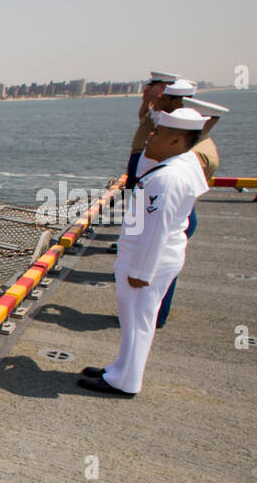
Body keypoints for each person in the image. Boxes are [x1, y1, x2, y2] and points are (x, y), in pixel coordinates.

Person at [79, 108, 210, 397]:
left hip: (146, 259)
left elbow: (157, 229)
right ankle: (120, 368)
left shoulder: (167, 179)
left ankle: (125, 381)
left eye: (159, 133)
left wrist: (140, 272)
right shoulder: (182, 163)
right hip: (156, 256)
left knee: (138, 322)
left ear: (177, 140)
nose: (151, 136)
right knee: (134, 321)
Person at [156, 98, 227, 327]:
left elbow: (169, 201)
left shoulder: (192, 155)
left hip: (173, 216)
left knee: (156, 279)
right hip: (175, 215)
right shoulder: (194, 149)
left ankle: (156, 316)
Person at [126, 71, 178, 185]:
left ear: (162, 87)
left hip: (146, 156)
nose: (148, 88)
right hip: (139, 156)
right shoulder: (154, 107)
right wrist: (146, 101)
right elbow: (143, 118)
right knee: (133, 195)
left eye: (152, 86)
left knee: (138, 195)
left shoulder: (164, 110)